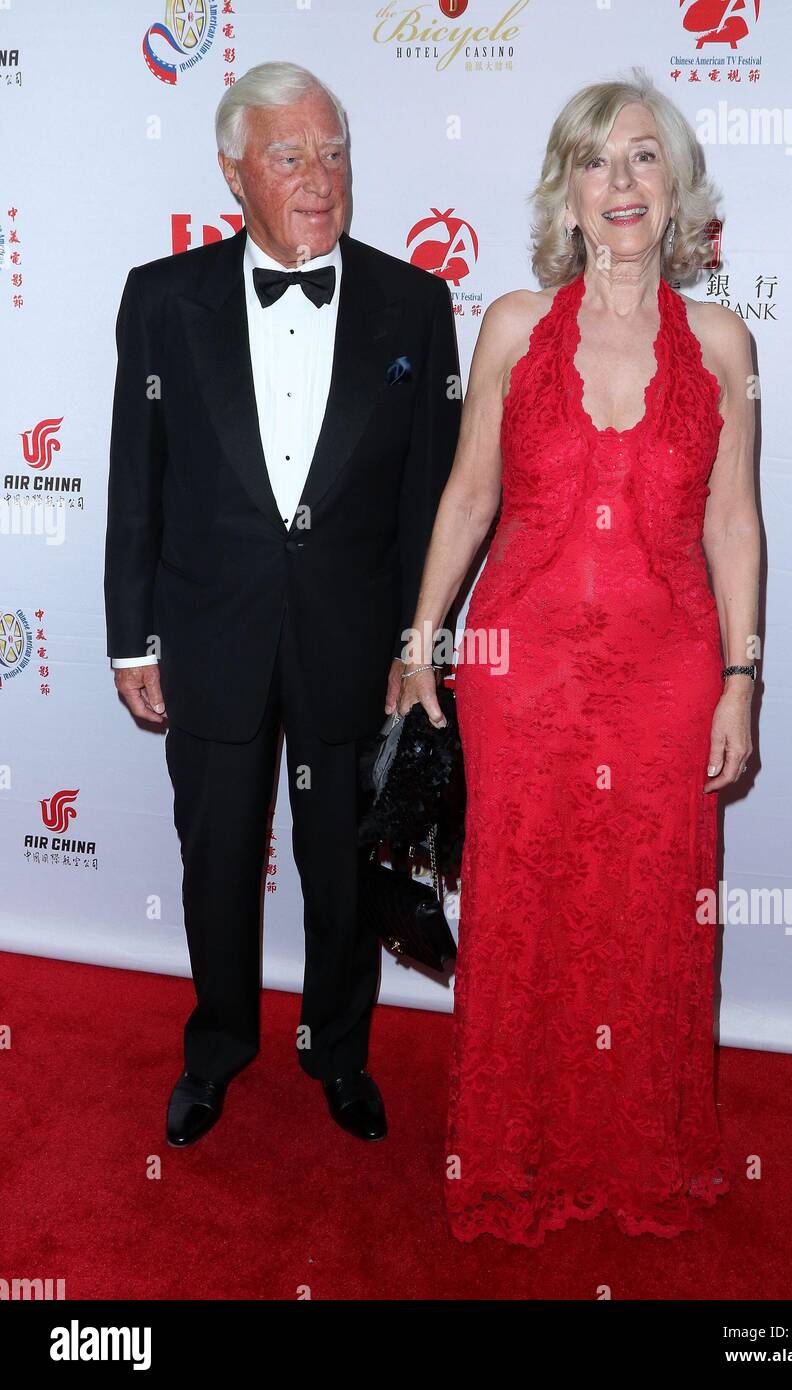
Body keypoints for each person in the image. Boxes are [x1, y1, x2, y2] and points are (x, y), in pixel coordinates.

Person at [398, 71, 759, 1245]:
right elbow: (465, 496)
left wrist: (741, 680)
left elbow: (733, 522)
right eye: (597, 161)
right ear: (564, 191)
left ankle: (641, 1150)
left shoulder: (719, 341)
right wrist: (422, 642)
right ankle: (515, 1150)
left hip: (666, 677)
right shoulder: (510, 324)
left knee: (649, 911)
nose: (621, 182)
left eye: (644, 158)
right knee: (525, 911)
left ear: (678, 192)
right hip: (524, 677)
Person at [104, 62, 461, 1148]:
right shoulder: (162, 298)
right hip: (209, 631)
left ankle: (338, 1051)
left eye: (334, 152)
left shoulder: (414, 300)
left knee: (342, 870)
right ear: (232, 172)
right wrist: (130, 637)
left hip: (353, 643)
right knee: (215, 860)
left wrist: (418, 645)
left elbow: (429, 500)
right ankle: (215, 1047)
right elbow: (136, 479)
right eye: (290, 155)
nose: (320, 177)